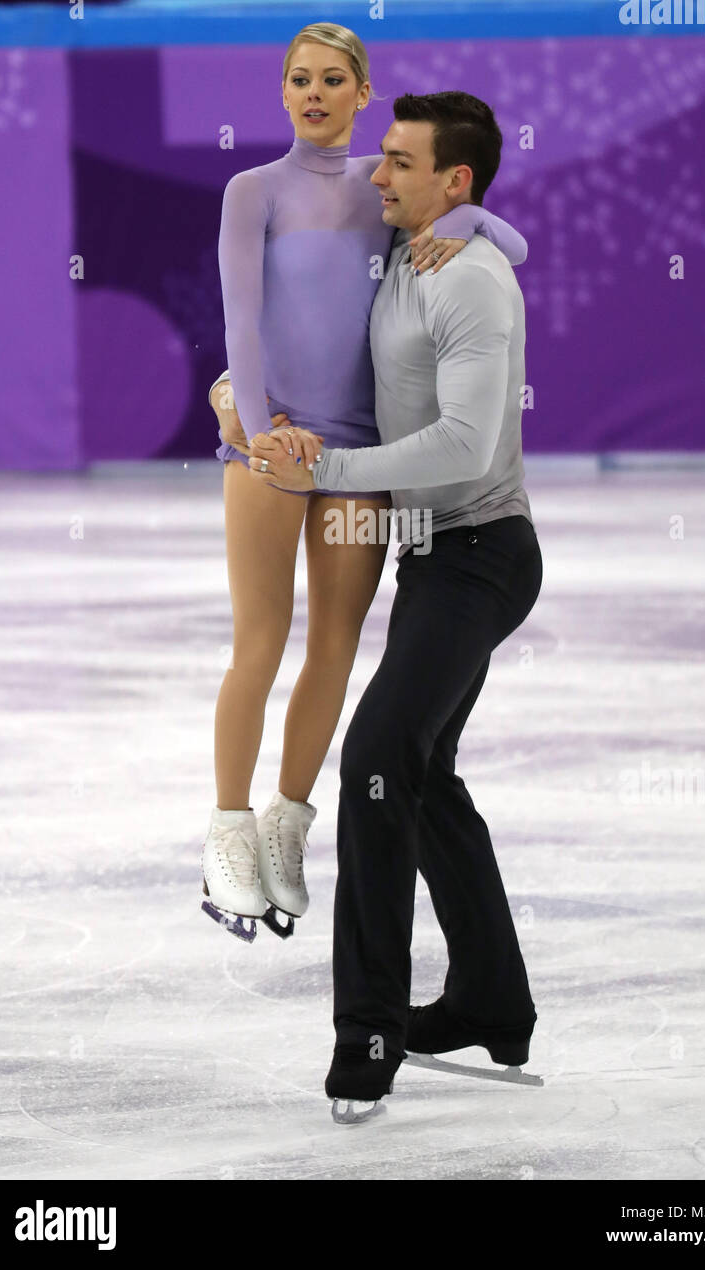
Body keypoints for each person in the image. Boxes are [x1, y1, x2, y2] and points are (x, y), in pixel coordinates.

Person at [247, 91, 542, 1118]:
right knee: (421, 771)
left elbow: (464, 444)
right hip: (425, 551)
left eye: (402, 166)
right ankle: (492, 998)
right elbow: (291, 268)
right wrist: (238, 399)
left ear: (451, 181)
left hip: (481, 554)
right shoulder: (411, 236)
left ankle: (367, 1026)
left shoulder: (474, 280)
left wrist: (328, 468)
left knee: (376, 758)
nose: (379, 179)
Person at [202, 23, 529, 942]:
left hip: (358, 463)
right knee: (259, 644)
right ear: (282, 93)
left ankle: (287, 820)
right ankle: (227, 828)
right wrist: (257, 427)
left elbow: (512, 237)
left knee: (337, 650)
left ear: (362, 93)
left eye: (332, 79)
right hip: (275, 450)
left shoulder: (382, 191)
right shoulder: (251, 191)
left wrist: (463, 221)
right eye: (298, 79)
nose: (313, 93)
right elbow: (241, 322)